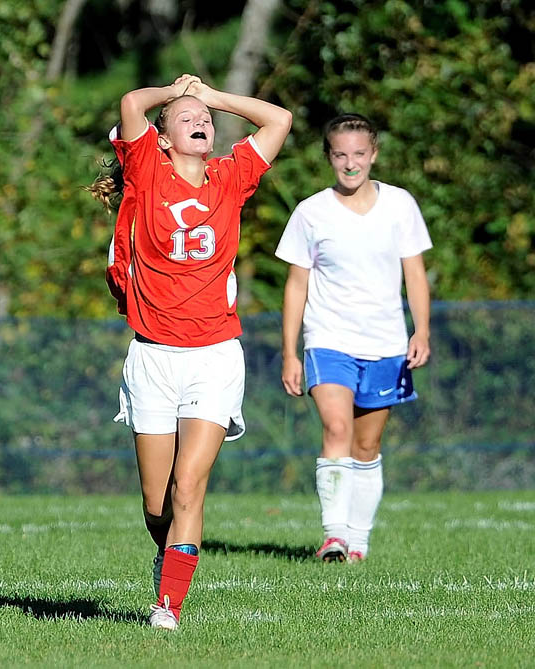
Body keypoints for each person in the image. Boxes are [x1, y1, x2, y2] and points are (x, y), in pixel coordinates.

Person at [89, 74, 292, 629]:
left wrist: (211, 96)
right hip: (153, 357)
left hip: (215, 355)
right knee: (157, 504)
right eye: (187, 118)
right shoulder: (147, 171)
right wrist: (174, 91)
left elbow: (280, 120)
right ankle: (167, 552)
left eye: (205, 119)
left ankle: (168, 606)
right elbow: (131, 101)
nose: (201, 122)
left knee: (189, 486)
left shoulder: (231, 177)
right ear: (162, 138)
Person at [276, 113, 432, 563]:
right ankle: (334, 536)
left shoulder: (400, 205)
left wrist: (420, 330)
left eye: (359, 154)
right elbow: (296, 286)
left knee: (366, 446)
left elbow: (415, 275)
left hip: (385, 343)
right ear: (328, 157)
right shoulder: (311, 212)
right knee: (337, 428)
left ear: (374, 155)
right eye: (340, 154)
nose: (350, 163)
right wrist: (290, 353)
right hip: (328, 340)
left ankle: (358, 540)